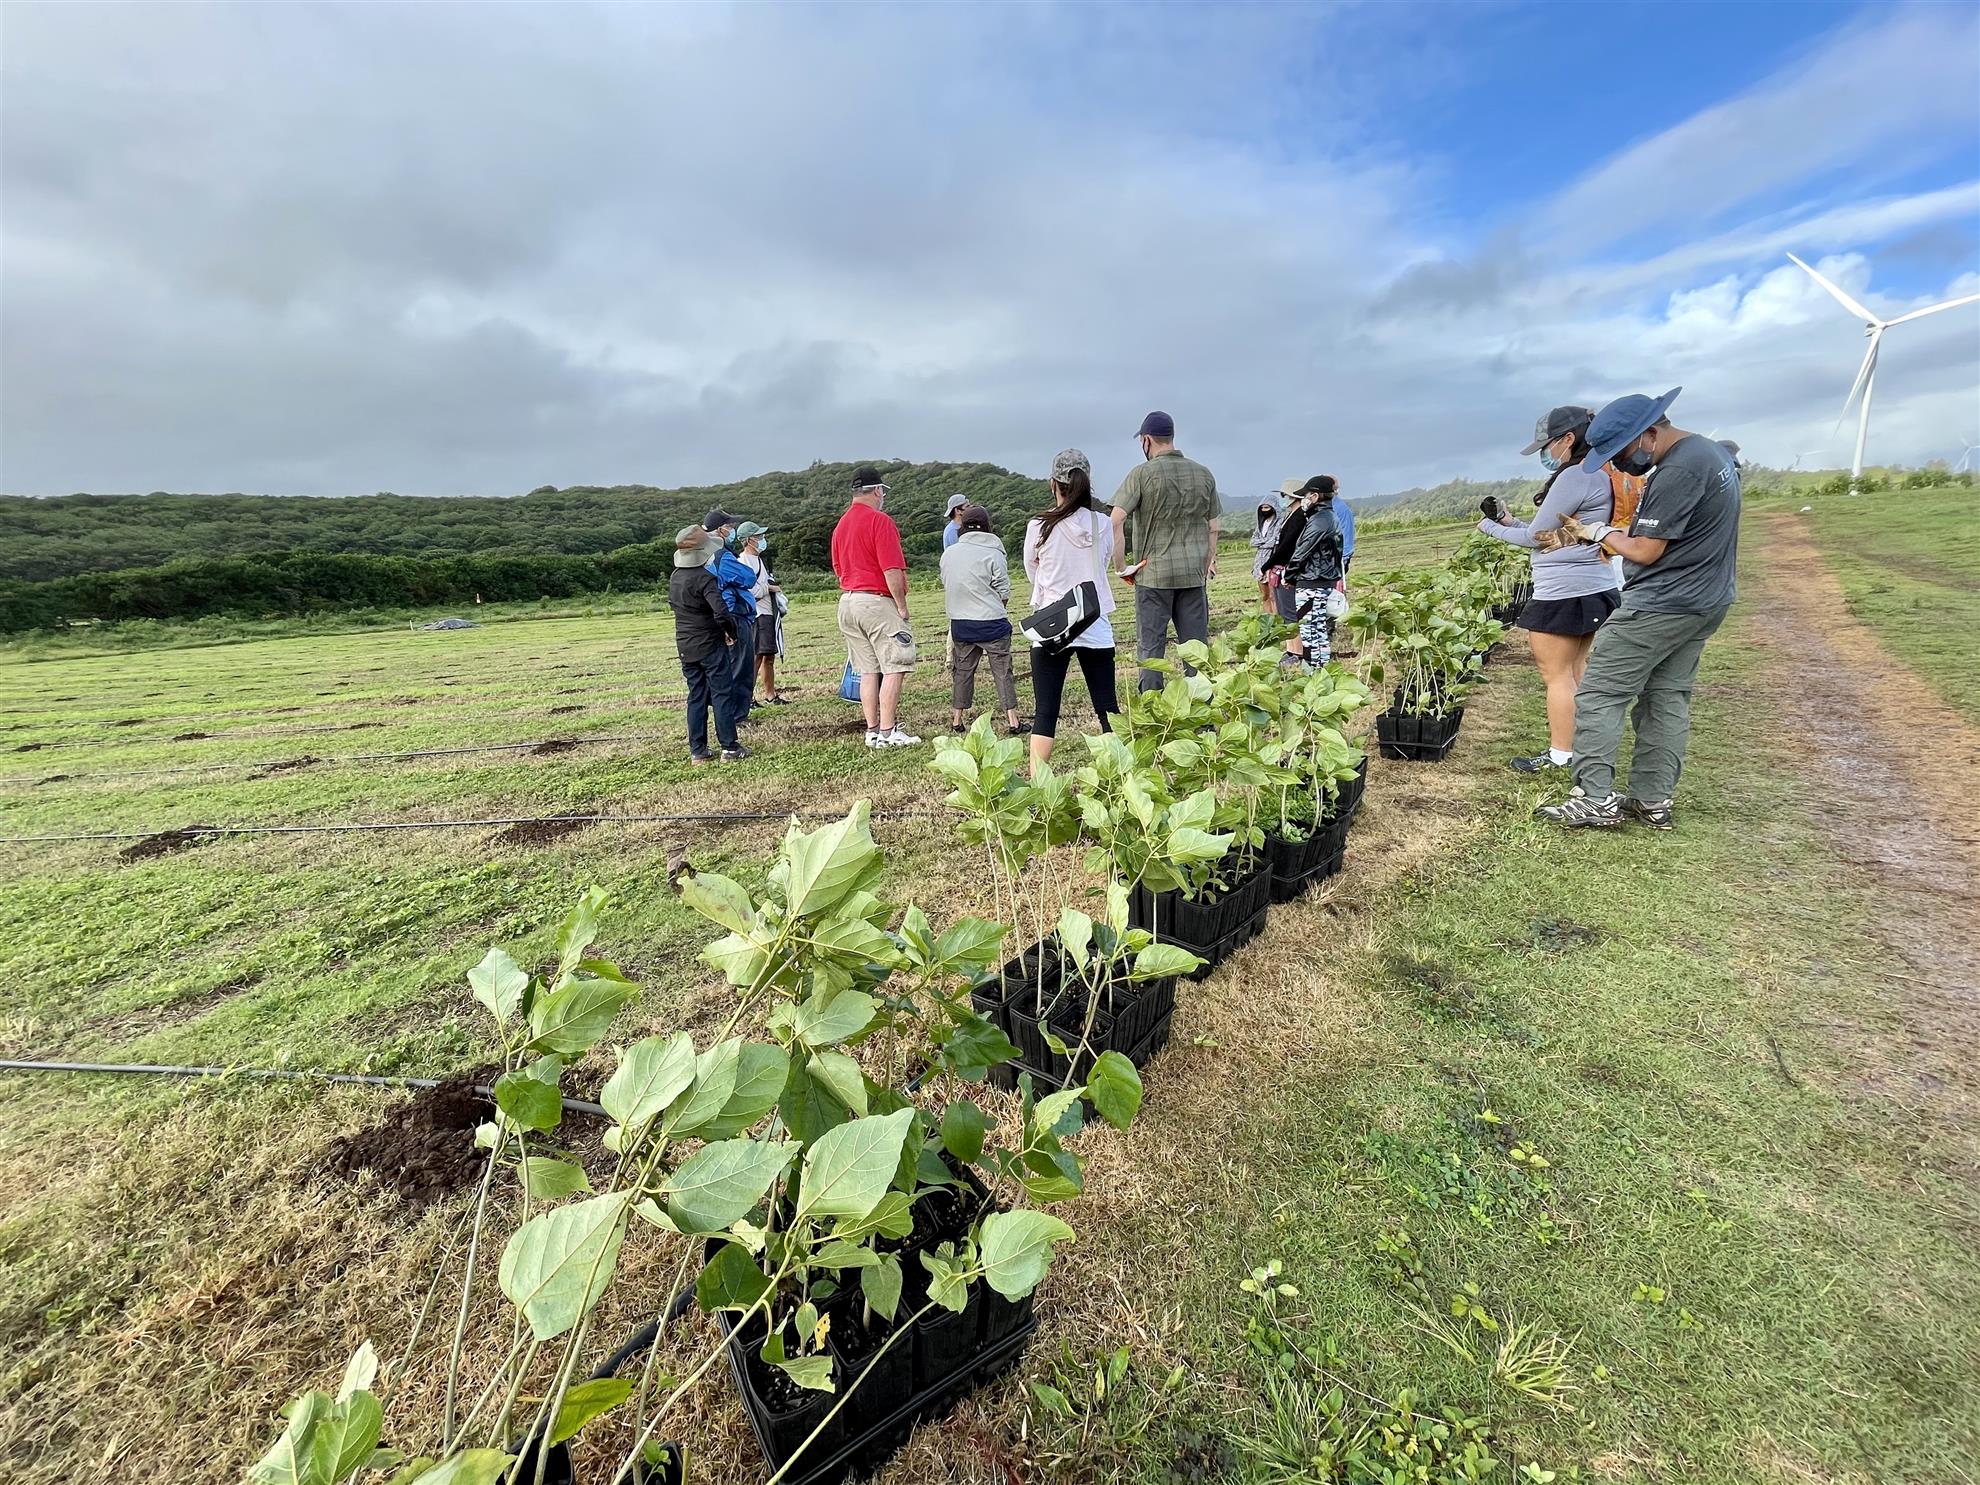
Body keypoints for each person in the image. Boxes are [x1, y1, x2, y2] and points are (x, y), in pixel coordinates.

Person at [1534, 387, 1741, 830]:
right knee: (1666, 697)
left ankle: (1594, 799)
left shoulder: (1679, 469)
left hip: (1662, 603)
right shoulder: (1711, 455)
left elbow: (1646, 550)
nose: (1620, 462)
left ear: (1648, 433)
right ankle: (1652, 799)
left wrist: (1600, 532)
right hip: (1706, 599)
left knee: (1599, 693)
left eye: (1621, 450)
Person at [1479, 406, 1622, 774]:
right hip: (1595, 585)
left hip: (1564, 591)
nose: (1547, 452)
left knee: (1555, 675)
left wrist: (1491, 528)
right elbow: (1564, 532)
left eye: (1549, 444)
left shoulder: (1576, 474)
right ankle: (1583, 746)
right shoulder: (1600, 472)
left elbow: (1537, 539)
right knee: (1576, 669)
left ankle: (1561, 754)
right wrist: (1510, 520)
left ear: (1568, 439)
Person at [1110, 411, 1220, 691]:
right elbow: (1213, 525)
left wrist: (1122, 566)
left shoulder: (1141, 474)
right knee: (1197, 650)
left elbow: (1117, 518)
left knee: (1151, 649)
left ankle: (1153, 711)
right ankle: (1203, 716)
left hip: (1153, 576)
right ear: (1170, 437)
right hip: (1193, 577)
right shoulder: (1203, 473)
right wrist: (1207, 560)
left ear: (1147, 440)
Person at [1026, 449, 1120, 766]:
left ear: (1054, 483)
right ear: (1086, 482)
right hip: (1094, 620)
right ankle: (1121, 779)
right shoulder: (1103, 524)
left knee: (1046, 711)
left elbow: (1032, 569)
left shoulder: (1038, 525)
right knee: (1107, 706)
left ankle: (1039, 786)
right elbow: (1104, 561)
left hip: (1052, 623)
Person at [831, 466, 922, 748]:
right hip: (875, 600)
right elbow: (891, 569)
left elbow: (837, 567)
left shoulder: (841, 525)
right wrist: (901, 606)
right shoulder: (880, 521)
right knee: (896, 663)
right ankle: (888, 730)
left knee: (868, 669)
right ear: (878, 491)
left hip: (848, 600)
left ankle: (872, 730)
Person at [939, 503, 1024, 736]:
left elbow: (948, 583)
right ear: (988, 527)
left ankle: (957, 720)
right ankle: (1013, 721)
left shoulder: (949, 554)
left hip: (961, 624)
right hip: (992, 624)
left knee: (962, 672)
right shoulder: (995, 552)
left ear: (962, 528)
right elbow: (1003, 591)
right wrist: (996, 605)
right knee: (1003, 672)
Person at [667, 525, 747, 764]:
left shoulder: (675, 577)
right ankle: (729, 747)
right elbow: (721, 612)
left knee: (696, 695)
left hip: (685, 644)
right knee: (722, 693)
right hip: (710, 643)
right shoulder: (705, 578)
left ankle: (698, 751)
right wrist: (730, 632)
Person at [1262, 476, 1345, 670]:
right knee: (1317, 630)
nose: (1304, 499)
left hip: (1312, 581)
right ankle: (1321, 669)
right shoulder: (1327, 517)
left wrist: (1288, 576)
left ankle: (1313, 670)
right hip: (1321, 578)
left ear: (1315, 496)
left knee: (1310, 630)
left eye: (1306, 495)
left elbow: (1301, 553)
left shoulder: (1318, 521)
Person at [733, 522, 790, 706]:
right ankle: (746, 697)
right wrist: (771, 588)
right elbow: (750, 591)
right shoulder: (743, 561)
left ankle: (770, 694)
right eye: (758, 537)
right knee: (756, 656)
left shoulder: (758, 559)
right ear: (748, 540)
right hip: (757, 615)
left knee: (768, 656)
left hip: (768, 613)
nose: (761, 540)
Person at [707, 525, 759, 723]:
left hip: (717, 617)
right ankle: (737, 715)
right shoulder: (722, 556)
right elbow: (748, 577)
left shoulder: (705, 557)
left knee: (725, 666)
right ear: (720, 530)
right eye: (729, 526)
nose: (732, 529)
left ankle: (727, 712)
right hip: (735, 615)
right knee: (740, 666)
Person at [1248, 494, 1286, 614]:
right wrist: (1264, 542)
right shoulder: (1261, 524)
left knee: (1274, 596)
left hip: (1273, 560)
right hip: (1260, 562)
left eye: (1267, 507)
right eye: (1262, 508)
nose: (1265, 510)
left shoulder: (1280, 522)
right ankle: (1267, 620)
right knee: (1264, 596)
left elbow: (1275, 540)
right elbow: (1253, 540)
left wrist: (1262, 543)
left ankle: (1277, 619)